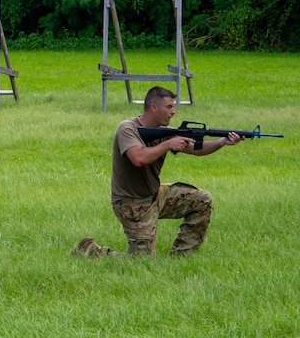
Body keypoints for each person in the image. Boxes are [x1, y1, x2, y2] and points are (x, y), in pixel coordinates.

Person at [75, 86, 243, 257]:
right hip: (132, 204)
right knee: (141, 262)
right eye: (169, 107)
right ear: (154, 108)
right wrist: (169, 144)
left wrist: (222, 141)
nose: (173, 112)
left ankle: (181, 257)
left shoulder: (166, 132)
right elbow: (138, 158)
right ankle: (90, 250)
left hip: (156, 195)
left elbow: (196, 149)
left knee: (202, 200)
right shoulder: (127, 129)